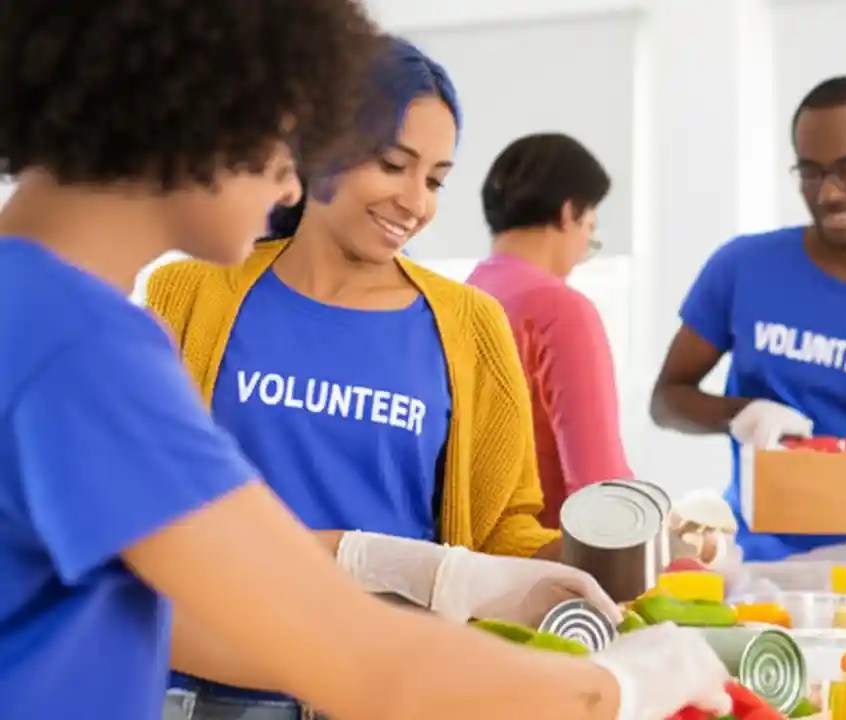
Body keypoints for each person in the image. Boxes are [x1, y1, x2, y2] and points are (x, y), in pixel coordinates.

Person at [0, 4, 734, 719]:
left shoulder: (29, 310)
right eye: (284, 141)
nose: (290, 185)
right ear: (202, 104)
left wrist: (433, 574)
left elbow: (172, 606)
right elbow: (365, 669)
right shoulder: (86, 350)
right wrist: (621, 687)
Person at [139, 39, 631, 718]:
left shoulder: (469, 326)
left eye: (434, 179)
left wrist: (609, 545)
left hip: (389, 692)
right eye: (393, 164)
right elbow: (148, 513)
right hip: (203, 689)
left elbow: (500, 536)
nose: (415, 201)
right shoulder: (191, 292)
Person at [649, 76, 846, 566]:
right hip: (751, 558)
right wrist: (741, 414)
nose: (830, 193)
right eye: (812, 172)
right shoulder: (742, 269)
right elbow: (666, 401)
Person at [466, 133, 634, 528]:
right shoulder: (562, 310)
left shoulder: (462, 299)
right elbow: (600, 489)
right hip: (551, 568)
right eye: (588, 231)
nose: (581, 253)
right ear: (568, 212)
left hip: (470, 562)